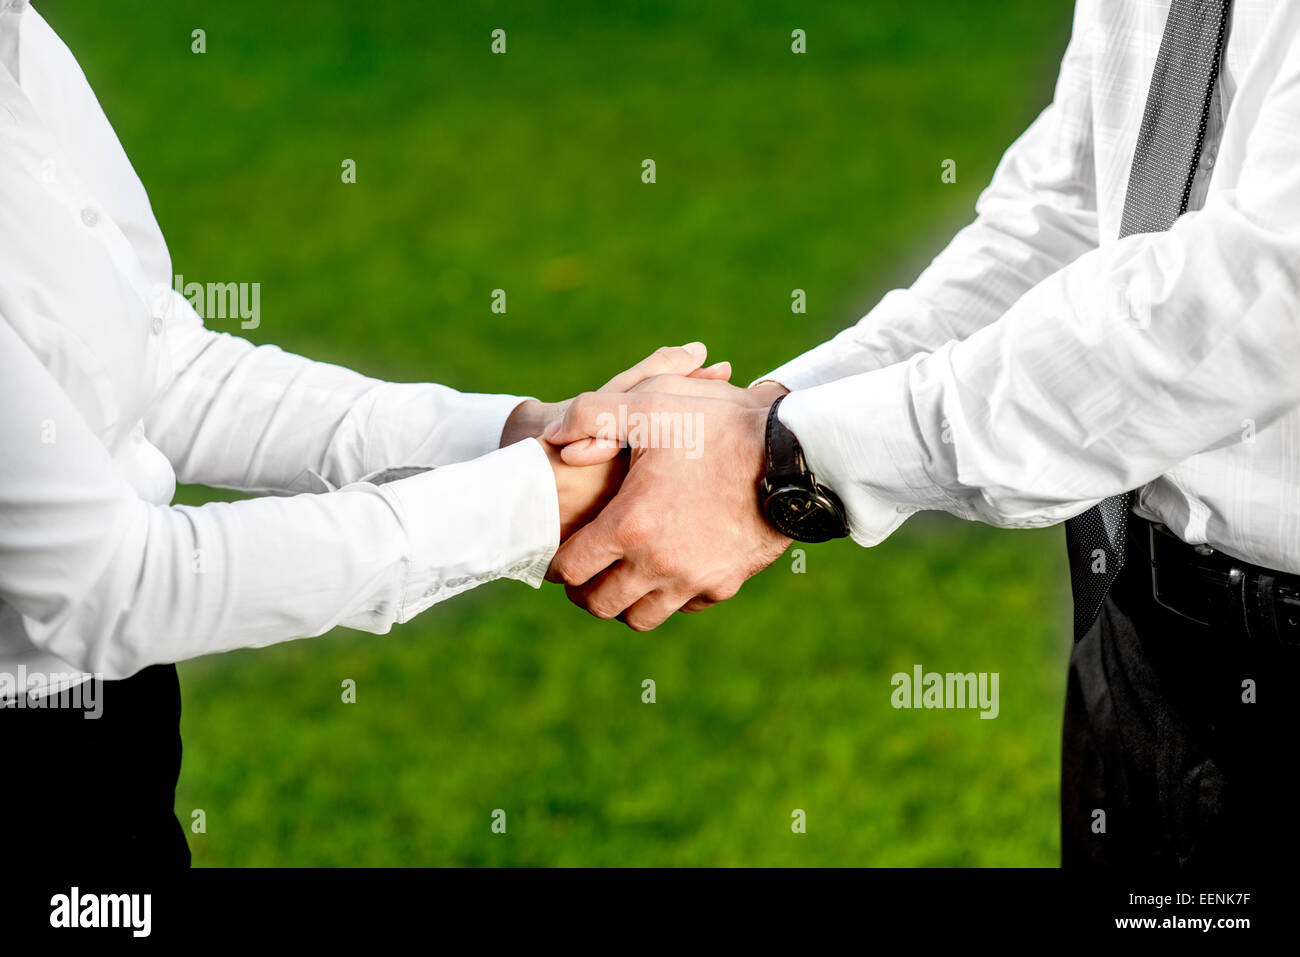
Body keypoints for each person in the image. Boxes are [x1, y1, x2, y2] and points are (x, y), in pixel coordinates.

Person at [545, 0, 1300, 868]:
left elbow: (1258, 300)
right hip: (1142, 626)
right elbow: (1065, 215)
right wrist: (768, 418)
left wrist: (787, 458)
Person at [0, 2, 727, 865]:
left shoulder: (19, 38)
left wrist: (520, 432)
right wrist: (535, 495)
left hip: (111, 732)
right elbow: (107, 587)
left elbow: (166, 368)